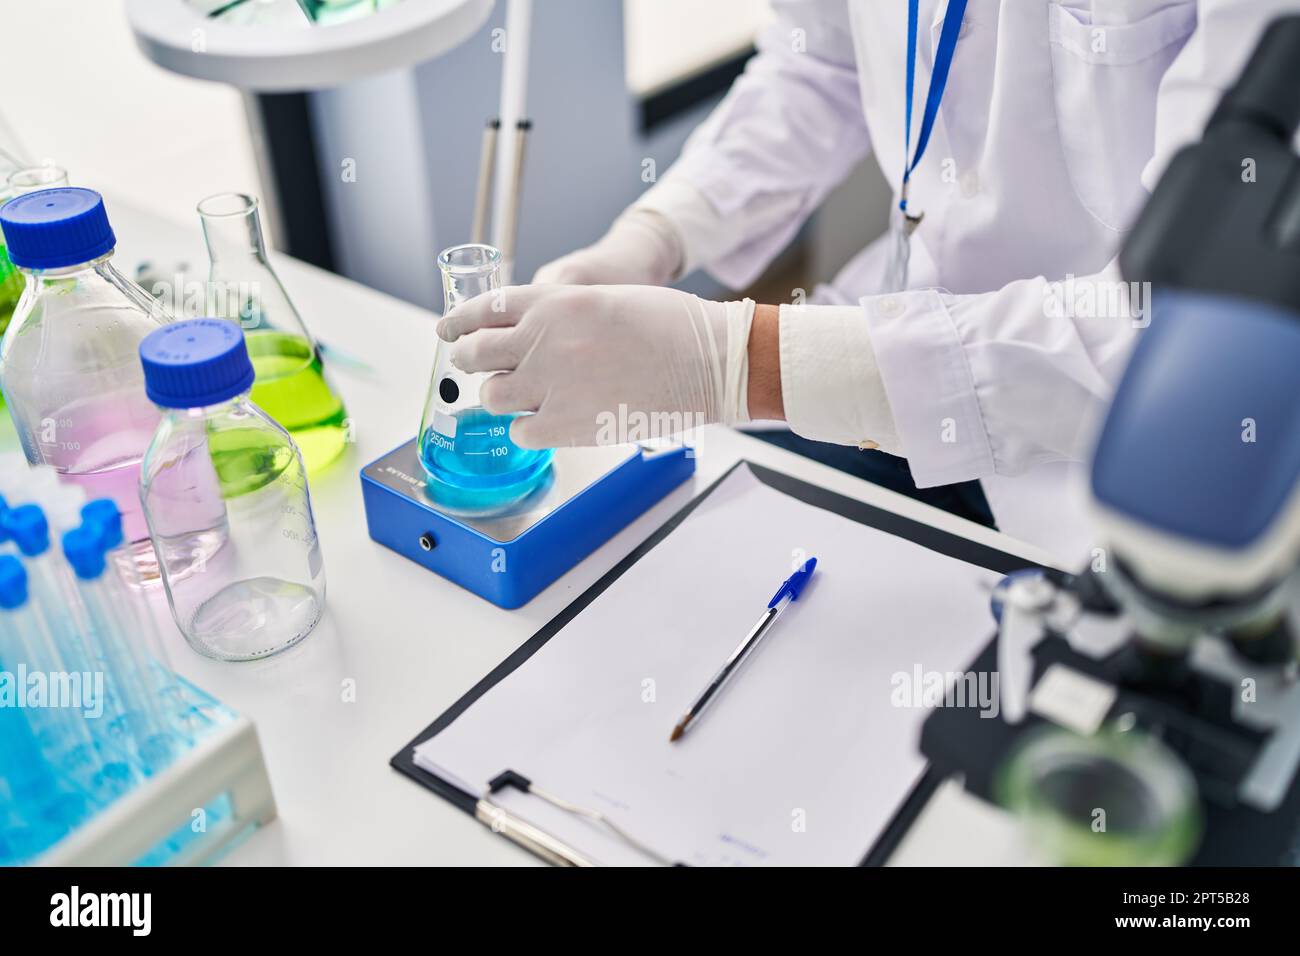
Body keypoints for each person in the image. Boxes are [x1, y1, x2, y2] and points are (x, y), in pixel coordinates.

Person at [438, 0, 1299, 557]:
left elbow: (1178, 327)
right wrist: (655, 236)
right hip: (887, 337)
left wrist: (736, 363)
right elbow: (821, 62)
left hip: (1110, 470)